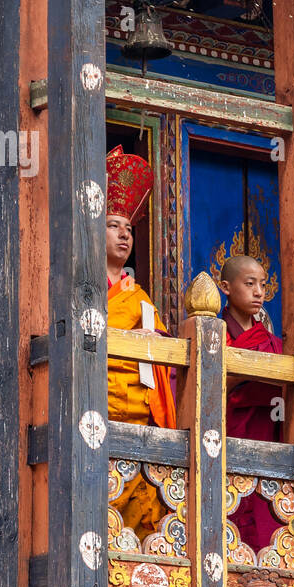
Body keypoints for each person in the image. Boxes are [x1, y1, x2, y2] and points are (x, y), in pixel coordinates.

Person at [106, 145, 176, 541]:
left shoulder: (141, 297)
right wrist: (124, 338)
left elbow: (165, 358)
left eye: (129, 229)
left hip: (139, 421)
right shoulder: (79, 290)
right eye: (114, 225)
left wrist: (156, 343)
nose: (124, 235)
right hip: (99, 410)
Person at [220, 255, 284, 554]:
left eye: (262, 284)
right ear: (226, 287)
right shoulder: (216, 334)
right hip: (227, 439)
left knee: (266, 519)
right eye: (249, 284)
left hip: (268, 440)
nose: (259, 292)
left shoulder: (271, 342)